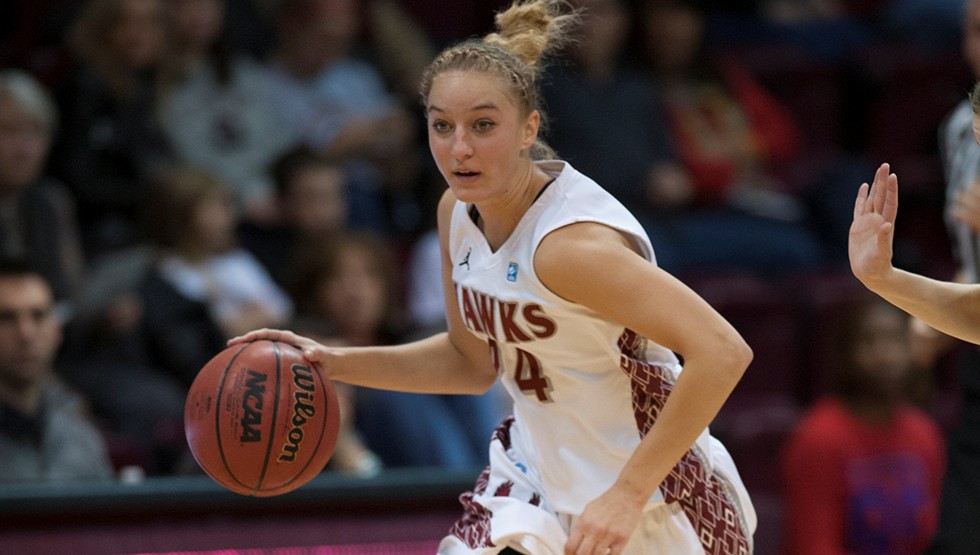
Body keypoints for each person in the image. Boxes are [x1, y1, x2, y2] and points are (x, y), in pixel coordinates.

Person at [230, 0, 756, 553]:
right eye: (442, 126)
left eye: (483, 126)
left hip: (653, 491)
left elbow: (723, 352)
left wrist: (627, 492)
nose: (459, 148)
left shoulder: (569, 246)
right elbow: (471, 361)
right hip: (534, 478)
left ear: (529, 128)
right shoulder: (455, 212)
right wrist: (334, 362)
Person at [780, 293, 945, 555]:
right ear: (845, 353)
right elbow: (815, 545)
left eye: (896, 340)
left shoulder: (924, 433)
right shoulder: (819, 436)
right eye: (871, 341)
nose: (887, 356)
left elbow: (932, 538)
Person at [0, 257, 115, 483]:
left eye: (38, 316)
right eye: (6, 318)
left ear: (57, 330)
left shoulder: (82, 439)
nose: (26, 334)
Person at [0, 70, 85, 311]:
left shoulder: (52, 200)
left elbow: (70, 291)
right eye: (9, 130)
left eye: (36, 132)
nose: (24, 149)